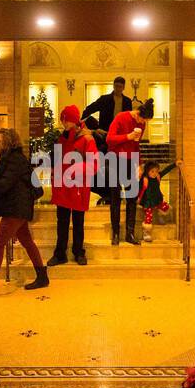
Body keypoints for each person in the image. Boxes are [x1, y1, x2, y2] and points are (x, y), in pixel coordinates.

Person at [0, 128, 48, 296]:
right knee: (27, 241)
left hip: (16, 208)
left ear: (7, 142)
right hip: (19, 207)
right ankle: (42, 276)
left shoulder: (14, 160)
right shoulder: (14, 159)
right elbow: (3, 184)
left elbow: (2, 186)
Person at [47, 105, 95, 267]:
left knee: (78, 221)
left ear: (74, 120)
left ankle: (78, 251)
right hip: (63, 187)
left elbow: (93, 165)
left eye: (66, 120)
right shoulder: (62, 138)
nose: (64, 123)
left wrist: (74, 170)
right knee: (62, 221)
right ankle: (60, 253)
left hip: (78, 186)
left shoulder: (87, 139)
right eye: (63, 120)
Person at [106, 97, 153, 246]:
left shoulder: (142, 124)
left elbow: (136, 146)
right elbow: (109, 139)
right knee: (115, 198)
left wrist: (139, 165)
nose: (143, 124)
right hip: (115, 160)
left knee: (132, 198)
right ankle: (115, 233)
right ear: (138, 114)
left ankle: (130, 233)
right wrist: (128, 136)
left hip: (131, 161)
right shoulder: (121, 117)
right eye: (143, 120)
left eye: (145, 122)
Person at [82, 77, 131, 206]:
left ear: (123, 87)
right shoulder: (105, 99)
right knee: (105, 164)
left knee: (119, 165)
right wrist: (91, 128)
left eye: (120, 86)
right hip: (105, 136)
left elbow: (129, 120)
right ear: (113, 86)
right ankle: (108, 192)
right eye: (116, 86)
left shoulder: (127, 102)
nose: (118, 89)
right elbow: (88, 109)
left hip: (119, 138)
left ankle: (114, 192)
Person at [137, 159, 180, 242]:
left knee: (167, 207)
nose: (154, 173)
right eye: (152, 171)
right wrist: (138, 199)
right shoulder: (144, 179)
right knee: (148, 217)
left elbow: (166, 170)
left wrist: (175, 164)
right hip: (148, 202)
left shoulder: (158, 177)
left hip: (157, 200)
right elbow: (139, 189)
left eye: (156, 171)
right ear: (147, 171)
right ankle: (146, 233)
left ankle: (160, 215)